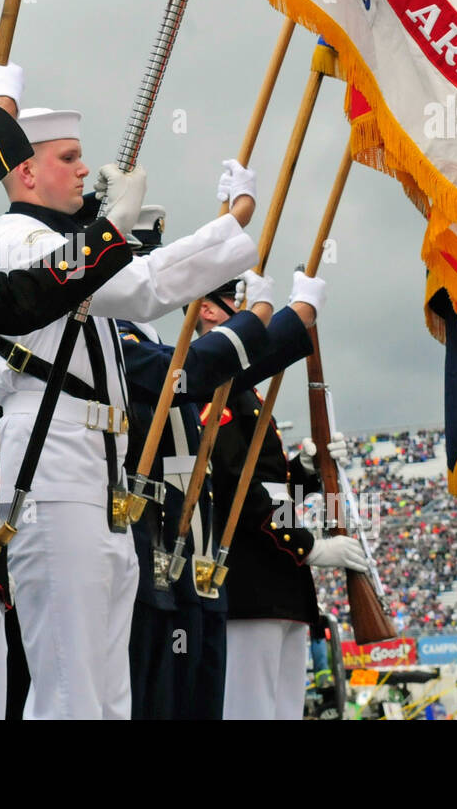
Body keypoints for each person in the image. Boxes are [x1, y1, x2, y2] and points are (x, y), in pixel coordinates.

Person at [0, 109, 264, 719]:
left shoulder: (68, 247)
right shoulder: (16, 242)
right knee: (69, 688)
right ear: (24, 171)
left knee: (109, 695)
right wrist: (115, 224)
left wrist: (231, 227)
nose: (86, 169)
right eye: (68, 157)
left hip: (97, 474)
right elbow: (135, 289)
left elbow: (148, 281)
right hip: (51, 469)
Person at [116, 212, 317, 718]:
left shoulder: (158, 343)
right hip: (159, 555)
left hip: (195, 564)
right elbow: (197, 374)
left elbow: (217, 369)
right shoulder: (123, 340)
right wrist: (280, 315)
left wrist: (295, 318)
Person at [203, 275, 367, 719]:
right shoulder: (216, 390)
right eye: (241, 307)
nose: (255, 322)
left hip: (282, 582)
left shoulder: (246, 391)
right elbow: (239, 491)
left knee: (285, 710)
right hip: (251, 581)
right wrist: (308, 546)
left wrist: (307, 473)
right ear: (208, 310)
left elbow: (271, 488)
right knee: (250, 709)